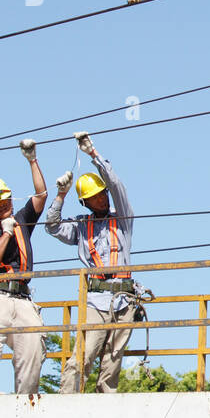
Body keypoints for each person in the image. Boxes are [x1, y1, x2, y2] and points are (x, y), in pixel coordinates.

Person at [45, 132, 140, 393]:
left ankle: (103, 408)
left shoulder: (122, 219)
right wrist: (60, 195)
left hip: (123, 300)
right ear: (85, 202)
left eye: (102, 194)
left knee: (112, 363)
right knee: (83, 357)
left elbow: (117, 185)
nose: (102, 198)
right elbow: (52, 227)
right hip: (96, 302)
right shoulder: (80, 226)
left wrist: (94, 155)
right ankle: (66, 403)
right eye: (95, 197)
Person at [0, 140, 47, 394]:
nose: (5, 203)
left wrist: (32, 160)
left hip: (22, 298)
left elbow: (41, 196)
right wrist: (5, 234)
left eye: (6, 198)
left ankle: (25, 407)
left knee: (33, 350)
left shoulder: (22, 220)